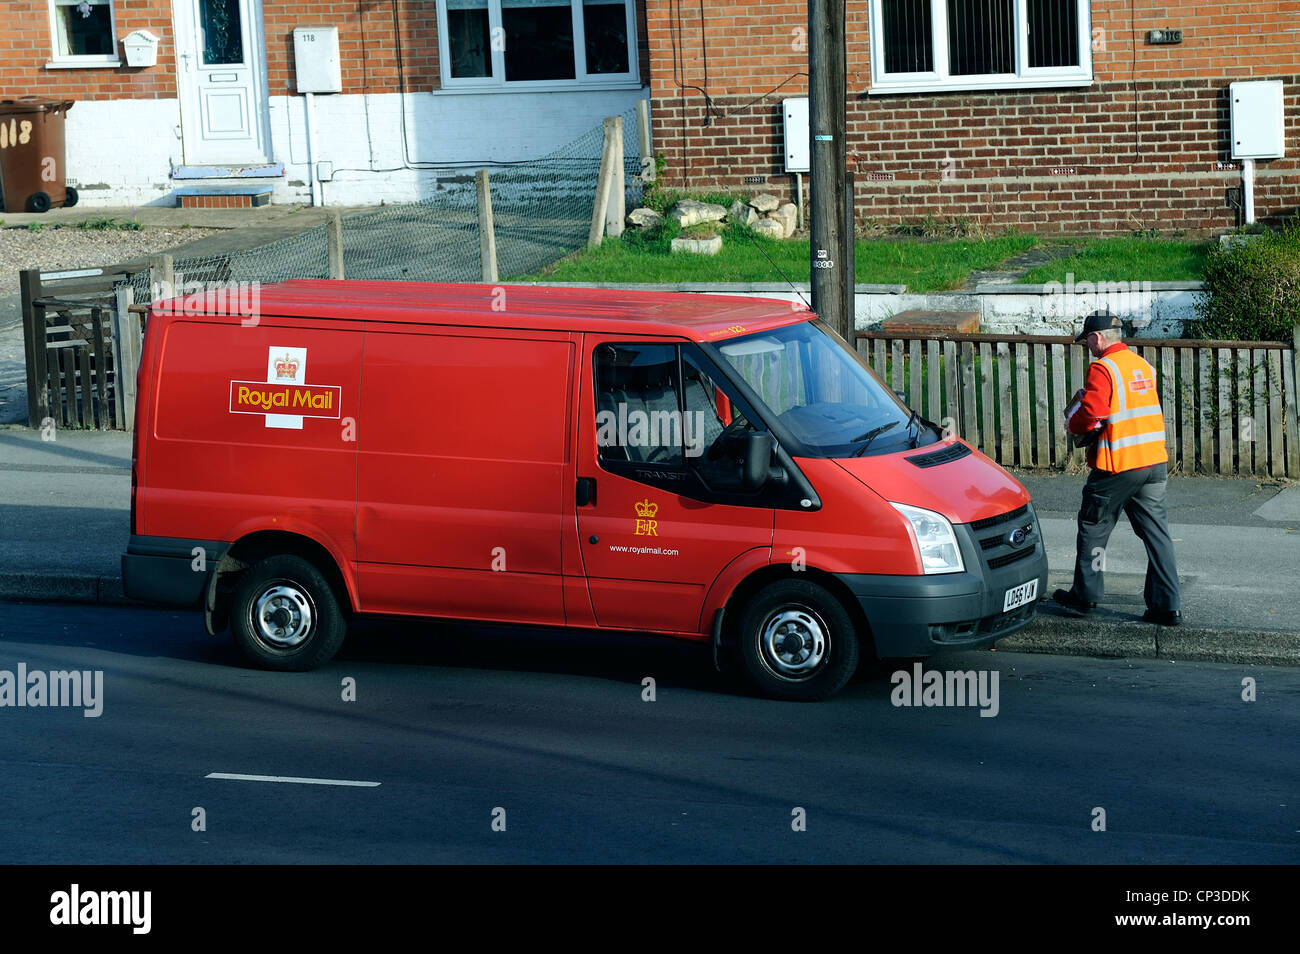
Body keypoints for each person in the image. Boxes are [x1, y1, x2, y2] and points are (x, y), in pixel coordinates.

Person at [1053, 310, 1182, 625]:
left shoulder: (1103, 367)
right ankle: (1166, 607)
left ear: (1097, 338)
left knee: (1094, 526)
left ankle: (1086, 596)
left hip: (1119, 464)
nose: (1088, 347)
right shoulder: (1142, 366)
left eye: (1087, 341)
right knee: (1157, 535)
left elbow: (1093, 413)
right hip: (1153, 462)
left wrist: (1074, 422)